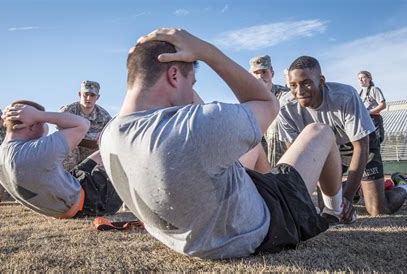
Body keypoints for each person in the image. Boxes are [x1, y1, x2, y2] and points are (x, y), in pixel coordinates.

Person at [100, 28, 355, 259]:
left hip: (190, 233)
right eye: (192, 84)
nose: (191, 94)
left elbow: (183, 114)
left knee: (252, 146)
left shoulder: (109, 135)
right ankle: (334, 212)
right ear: (174, 74)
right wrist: (208, 52)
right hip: (255, 229)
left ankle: (276, 186)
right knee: (319, 132)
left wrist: (144, 58)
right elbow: (268, 105)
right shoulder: (194, 129)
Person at [277, 56, 407, 217]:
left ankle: (406, 187)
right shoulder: (285, 107)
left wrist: (345, 198)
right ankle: (359, 186)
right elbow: (298, 157)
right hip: (328, 149)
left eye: (306, 83)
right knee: (328, 209)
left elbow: (362, 147)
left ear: (321, 81)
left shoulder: (345, 96)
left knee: (377, 209)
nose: (299, 91)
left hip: (357, 143)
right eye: (293, 85)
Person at [0, 100, 122, 218]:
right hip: (88, 201)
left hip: (63, 192)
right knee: (123, 157)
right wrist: (39, 116)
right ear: (31, 125)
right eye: (42, 123)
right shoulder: (35, 152)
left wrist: (36, 118)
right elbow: (83, 124)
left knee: (101, 153)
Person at [59, 80, 112, 170]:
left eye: (92, 95)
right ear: (80, 94)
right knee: (66, 146)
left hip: (91, 152)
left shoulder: (104, 116)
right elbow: (63, 133)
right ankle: (66, 179)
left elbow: (110, 136)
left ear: (97, 97)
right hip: (72, 149)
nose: (88, 98)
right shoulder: (68, 111)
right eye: (85, 94)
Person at [249, 55, 289, 167]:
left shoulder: (285, 95)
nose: (260, 76)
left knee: (275, 124)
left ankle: (277, 173)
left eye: (264, 71)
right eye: (256, 72)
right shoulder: (249, 99)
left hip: (285, 158)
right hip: (261, 160)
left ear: (272, 73)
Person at [358, 70, 386, 143]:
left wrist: (368, 112)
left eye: (363, 77)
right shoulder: (359, 94)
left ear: (369, 78)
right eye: (359, 78)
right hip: (364, 122)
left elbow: (383, 105)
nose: (360, 80)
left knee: (375, 144)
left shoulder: (374, 89)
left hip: (374, 120)